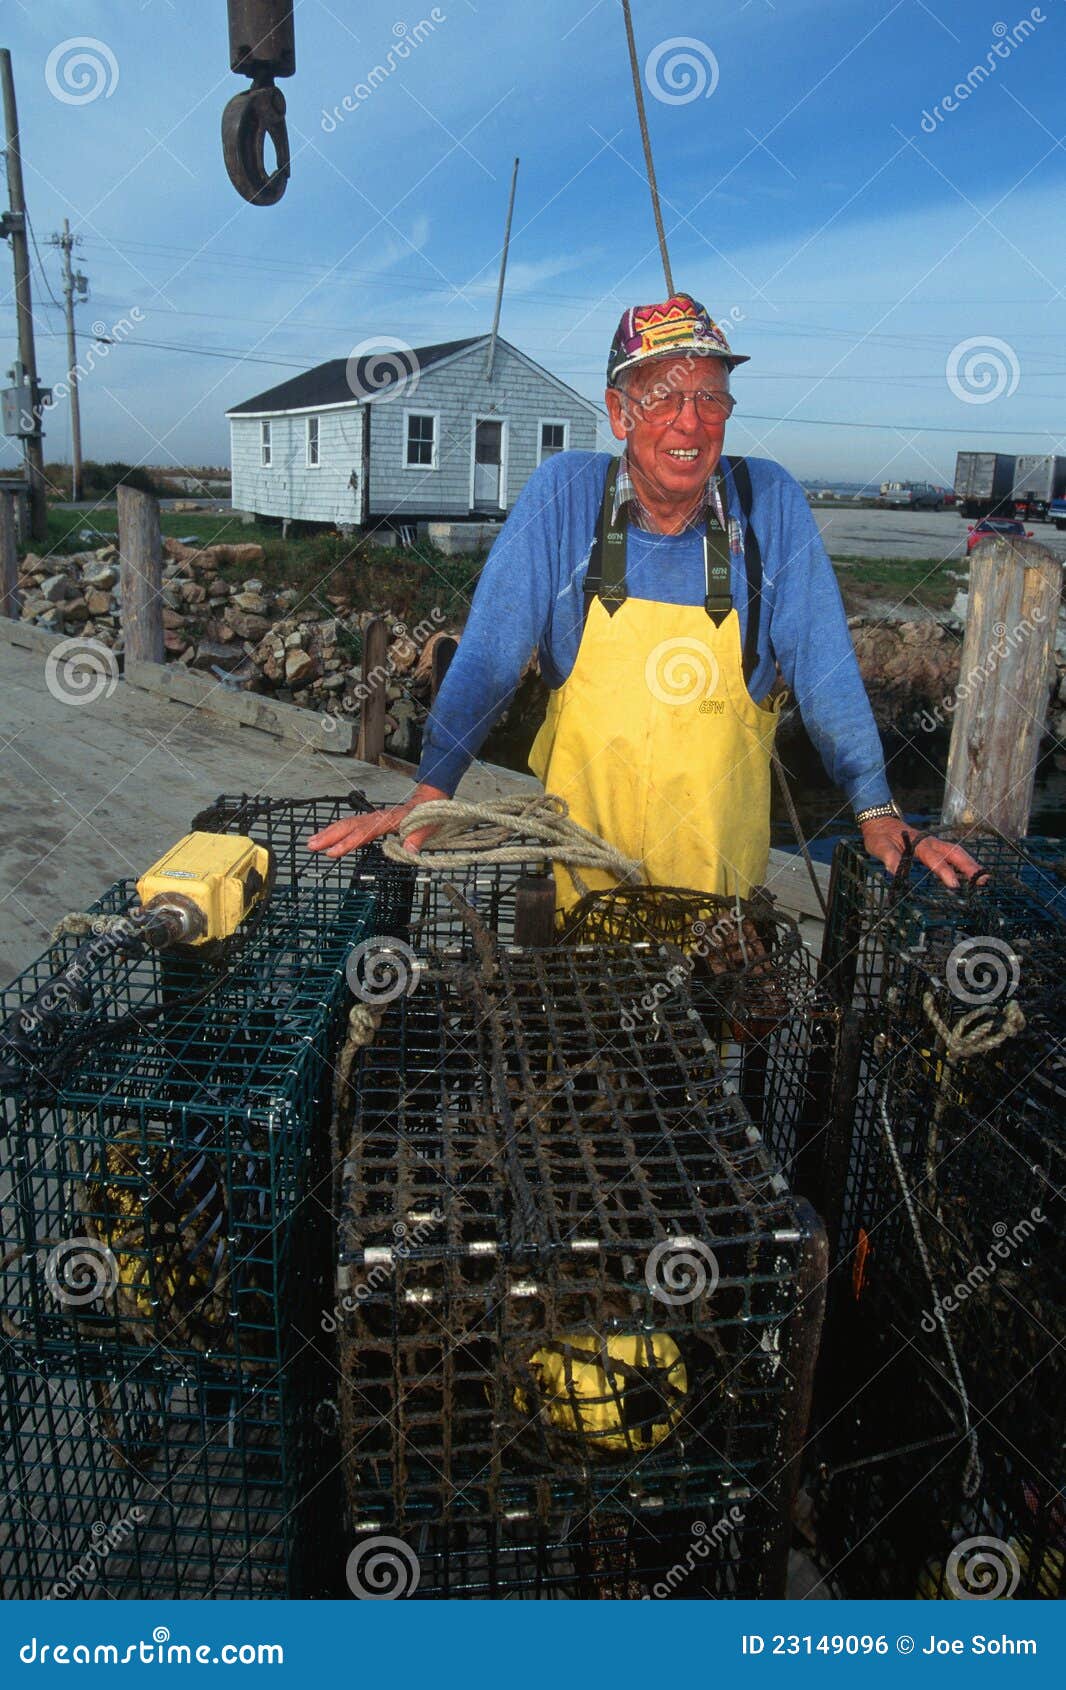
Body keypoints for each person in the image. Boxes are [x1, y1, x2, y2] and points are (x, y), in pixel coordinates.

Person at [309, 292, 981, 898]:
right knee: (572, 1029)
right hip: (579, 888)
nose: (689, 423)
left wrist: (876, 809)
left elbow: (826, 665)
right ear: (618, 412)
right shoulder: (566, 496)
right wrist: (431, 794)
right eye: (661, 396)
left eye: (711, 398)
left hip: (719, 905)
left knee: (715, 1032)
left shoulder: (767, 502)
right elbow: (488, 654)